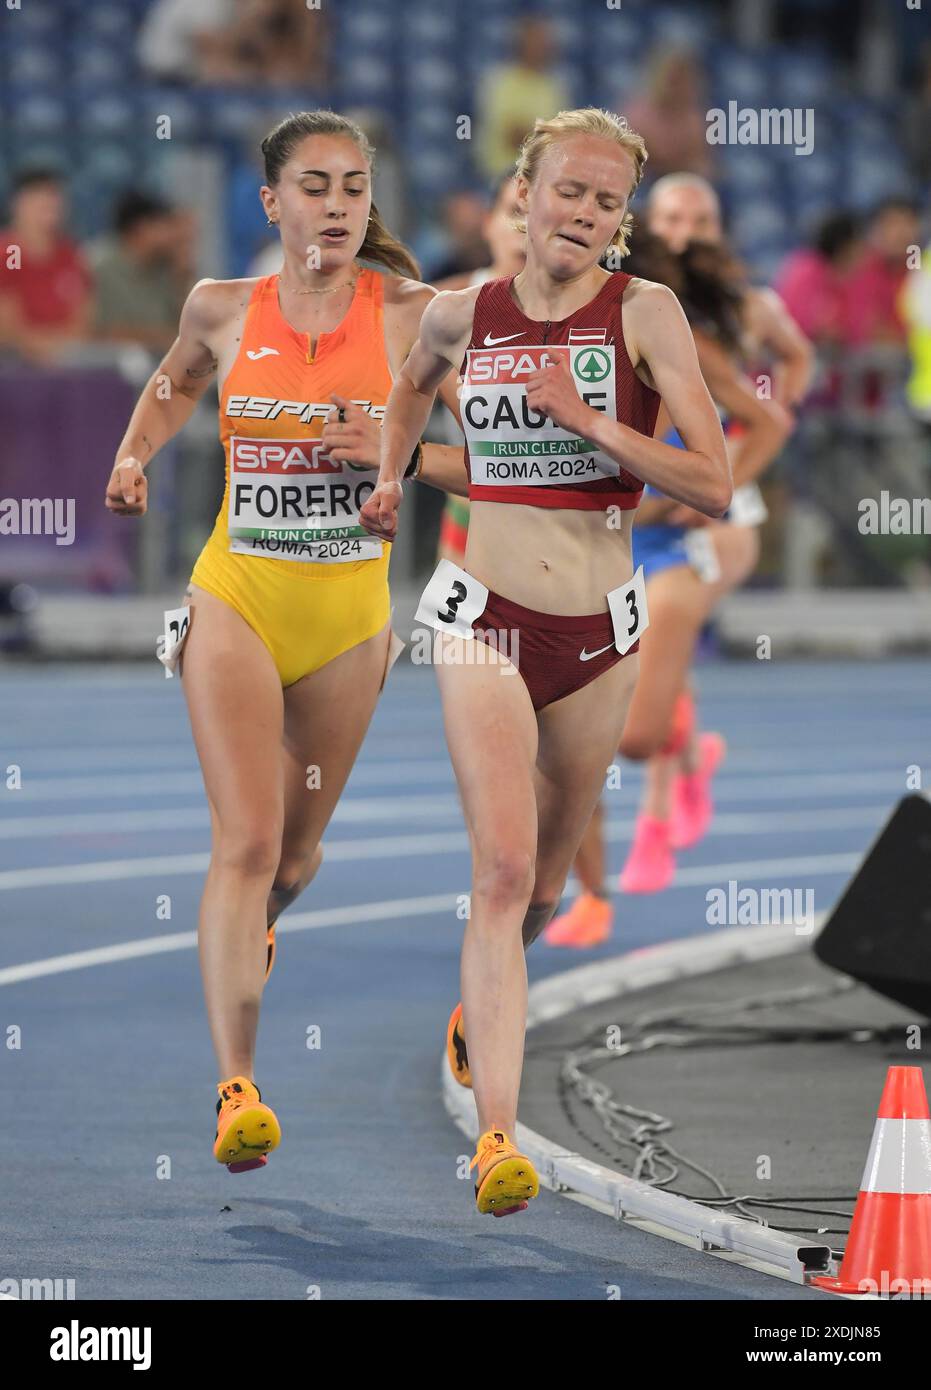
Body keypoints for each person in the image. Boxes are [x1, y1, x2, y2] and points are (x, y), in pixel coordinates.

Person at [360, 108, 731, 1216]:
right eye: (567, 189)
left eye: (606, 201)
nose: (583, 212)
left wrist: (588, 419)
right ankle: (496, 1142)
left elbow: (709, 480)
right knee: (504, 871)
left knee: (549, 889)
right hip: (483, 615)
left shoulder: (646, 310)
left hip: (600, 627)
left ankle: (485, 1007)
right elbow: (412, 382)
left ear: (621, 224)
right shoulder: (462, 310)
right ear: (524, 193)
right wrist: (389, 480)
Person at [103, 110, 467, 1175]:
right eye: (315, 186)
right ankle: (237, 1089)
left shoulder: (414, 317)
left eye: (355, 187)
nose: (338, 206)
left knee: (295, 858)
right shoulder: (222, 307)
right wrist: (133, 457)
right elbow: (175, 384)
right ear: (270, 202)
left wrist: (398, 460)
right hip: (238, 595)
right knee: (247, 842)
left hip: (351, 620)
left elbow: (487, 445)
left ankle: (257, 931)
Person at [546, 233, 794, 939]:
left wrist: (715, 492)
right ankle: (581, 890)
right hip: (595, 553)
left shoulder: (681, 343)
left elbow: (769, 420)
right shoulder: (569, 344)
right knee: (572, 724)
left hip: (670, 551)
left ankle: (682, 736)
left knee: (634, 741)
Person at [433, 173, 527, 566]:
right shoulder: (440, 302)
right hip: (472, 514)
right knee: (455, 631)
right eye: (514, 212)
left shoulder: (592, 312)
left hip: (568, 524)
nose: (525, 226)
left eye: (538, 214)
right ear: (488, 222)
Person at [0, 168, 92, 365]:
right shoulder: (7, 253)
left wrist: (60, 347)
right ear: (19, 204)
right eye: (39, 201)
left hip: (67, 357)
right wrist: (43, 348)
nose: (49, 207)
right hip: (12, 362)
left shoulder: (71, 255)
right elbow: (7, 327)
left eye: (53, 200)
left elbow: (82, 318)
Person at [92, 192, 192, 357]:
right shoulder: (101, 267)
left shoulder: (167, 267)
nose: (172, 235)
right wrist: (164, 339)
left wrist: (181, 278)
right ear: (141, 228)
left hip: (161, 363)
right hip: (110, 368)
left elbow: (189, 331)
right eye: (164, 226)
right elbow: (104, 333)